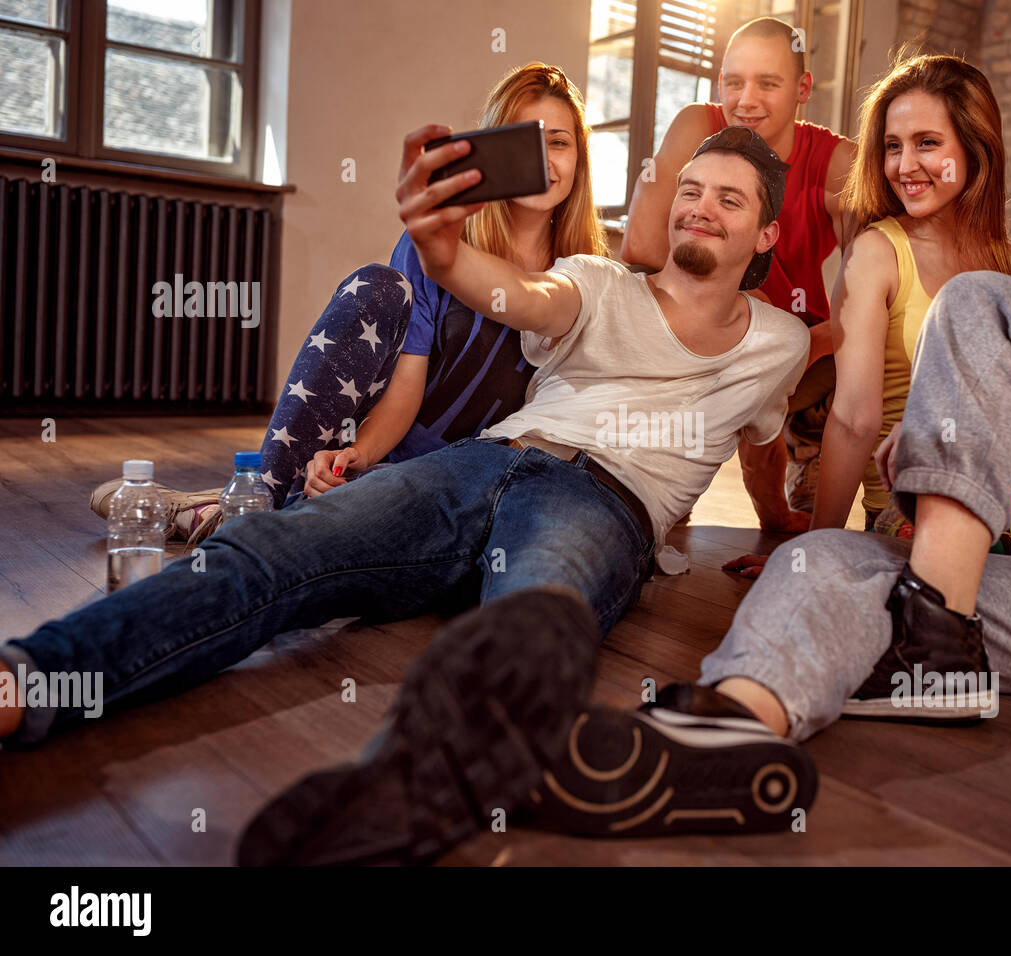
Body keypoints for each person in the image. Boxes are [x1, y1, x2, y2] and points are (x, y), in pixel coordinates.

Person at [475, 73, 1011, 843]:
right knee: (826, 562)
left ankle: (933, 638)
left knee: (978, 304)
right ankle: (718, 737)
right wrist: (967, 445)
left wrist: (984, 431)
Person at [0, 124, 815, 865]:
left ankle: (396, 794)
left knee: (533, 622)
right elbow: (524, 296)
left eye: (729, 199)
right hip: (477, 465)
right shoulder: (600, 281)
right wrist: (443, 246)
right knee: (271, 548)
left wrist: (784, 529)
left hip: (601, 504)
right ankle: (29, 680)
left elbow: (764, 442)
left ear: (767, 232)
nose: (701, 209)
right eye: (690, 192)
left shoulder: (780, 341)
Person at [87, 62, 606, 543]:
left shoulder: (592, 278)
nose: (542, 160)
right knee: (378, 284)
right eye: (526, 142)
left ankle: (215, 508)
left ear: (579, 158)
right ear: (494, 151)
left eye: (558, 143)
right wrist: (356, 455)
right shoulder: (440, 239)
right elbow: (405, 388)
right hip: (385, 446)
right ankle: (255, 501)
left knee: (349, 526)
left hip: (473, 478)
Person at [723, 54, 1011, 581]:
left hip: (1000, 507)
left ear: (975, 147)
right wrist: (816, 550)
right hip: (908, 512)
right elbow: (854, 419)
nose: (904, 165)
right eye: (894, 146)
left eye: (927, 143)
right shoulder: (878, 252)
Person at [622, 15, 855, 529]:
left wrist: (803, 339)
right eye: (734, 81)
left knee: (869, 345)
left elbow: (878, 286)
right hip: (700, 324)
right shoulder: (695, 125)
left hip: (802, 340)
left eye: (767, 83)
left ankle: (810, 453)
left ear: (802, 89)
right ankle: (663, 471)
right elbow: (640, 244)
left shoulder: (838, 160)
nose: (745, 100)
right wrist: (740, 310)